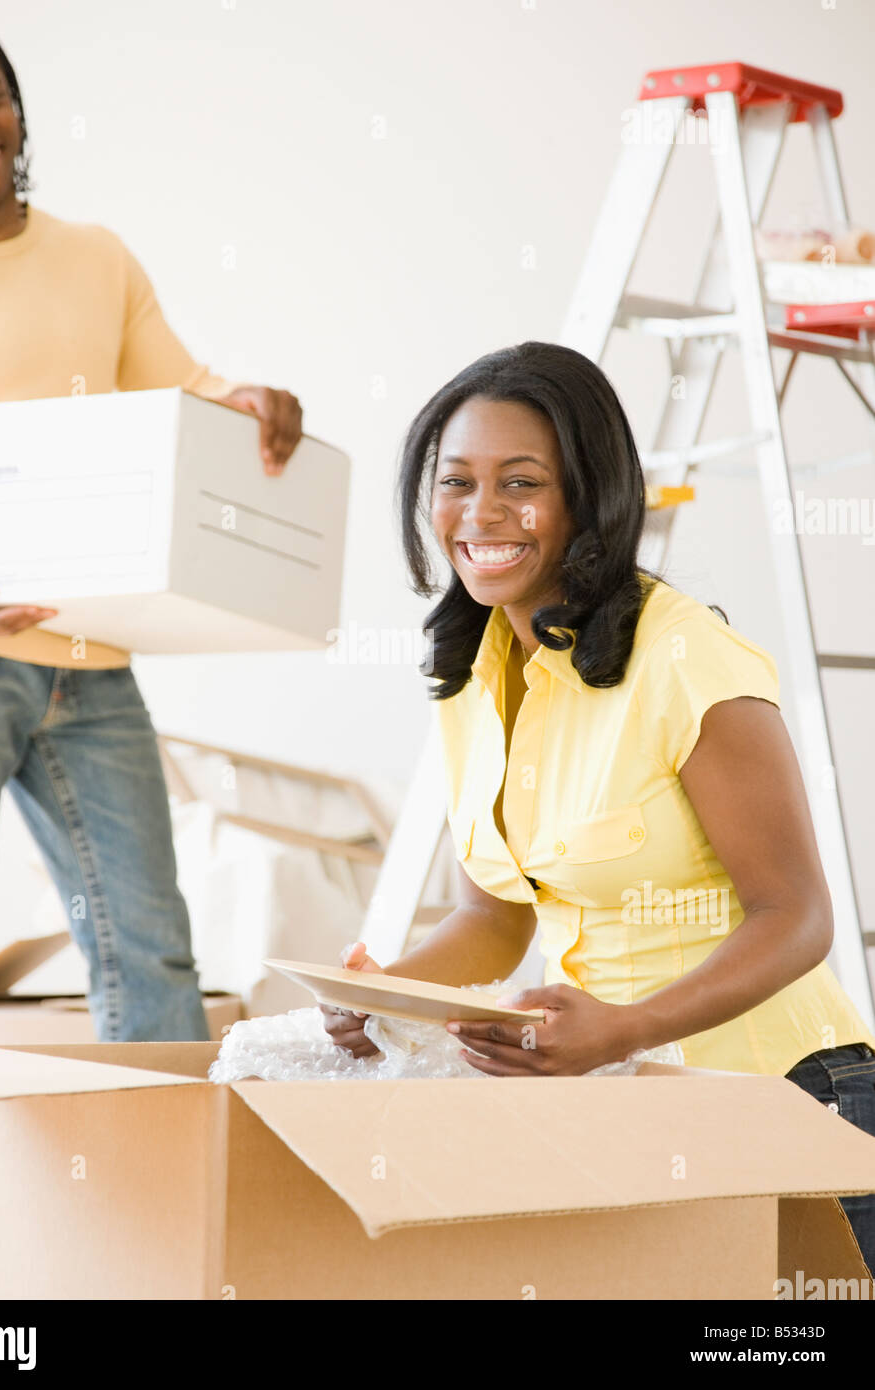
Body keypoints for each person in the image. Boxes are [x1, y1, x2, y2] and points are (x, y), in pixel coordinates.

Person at [0, 10, 302, 1297]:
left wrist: (253, 407)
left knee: (152, 962)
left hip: (94, 655)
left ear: (19, 106)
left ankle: (157, 1265)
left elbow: (178, 392)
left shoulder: (95, 256)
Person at [322, 340, 875, 1271]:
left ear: (589, 497)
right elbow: (491, 916)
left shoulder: (685, 658)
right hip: (629, 1103)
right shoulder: (472, 677)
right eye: (455, 481)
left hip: (788, 1098)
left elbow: (799, 918)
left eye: (521, 482)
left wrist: (626, 1026)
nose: (482, 513)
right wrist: (389, 1001)